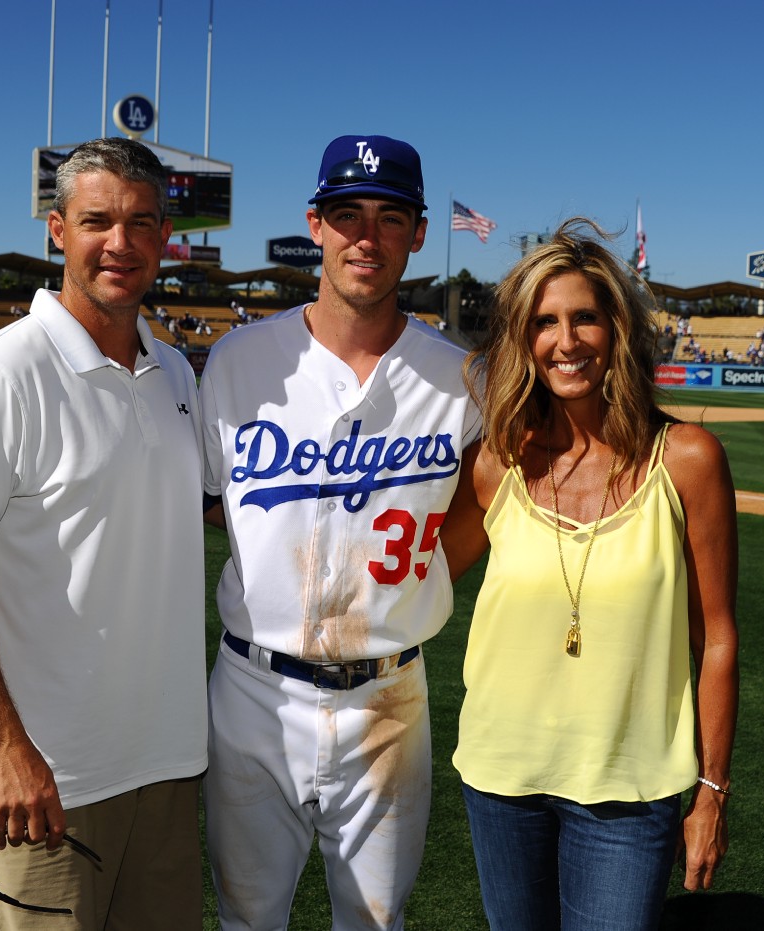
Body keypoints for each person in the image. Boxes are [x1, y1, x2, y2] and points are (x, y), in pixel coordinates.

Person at [0, 137, 208, 931]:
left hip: (171, 767)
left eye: (142, 223)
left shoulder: (175, 374)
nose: (121, 243)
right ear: (56, 229)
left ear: (165, 236)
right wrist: (2, 744)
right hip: (48, 782)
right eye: (97, 220)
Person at [199, 134, 481, 930]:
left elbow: (485, 502)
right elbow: (212, 503)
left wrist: (417, 575)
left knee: (376, 921)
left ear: (419, 234)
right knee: (247, 917)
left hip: (391, 694)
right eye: (346, 213)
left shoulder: (461, 381)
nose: (368, 235)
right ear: (314, 224)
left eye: (391, 217)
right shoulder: (238, 361)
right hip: (254, 689)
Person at [441, 218, 739, 931]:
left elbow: (718, 639)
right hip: (500, 777)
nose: (565, 341)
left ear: (618, 329)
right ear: (522, 339)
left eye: (584, 318)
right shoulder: (495, 460)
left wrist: (711, 791)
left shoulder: (688, 458)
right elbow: (417, 575)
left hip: (630, 793)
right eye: (544, 322)